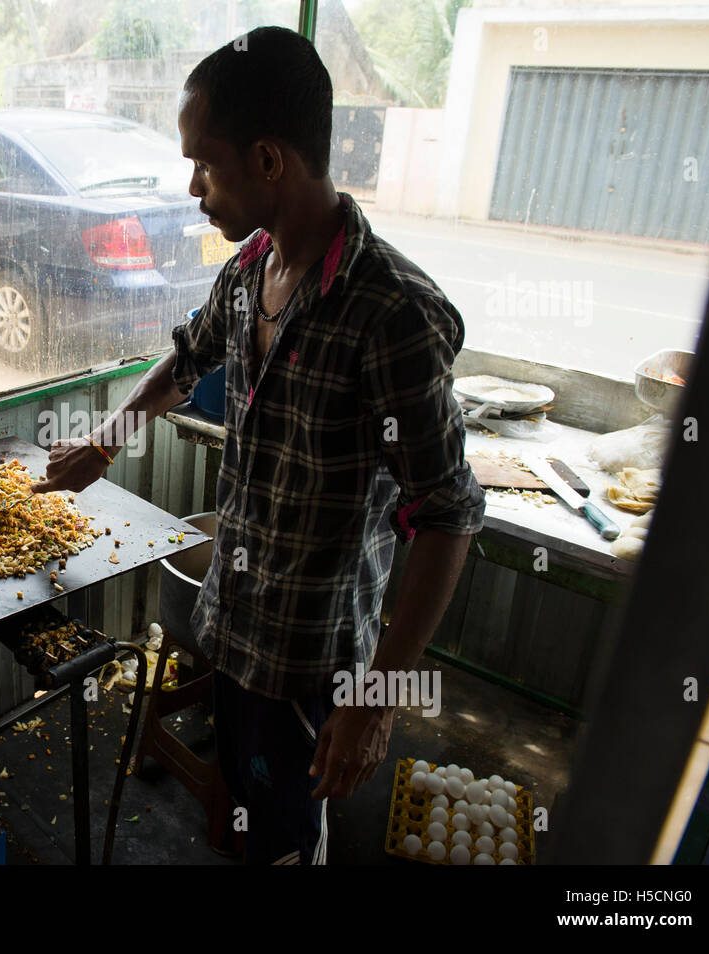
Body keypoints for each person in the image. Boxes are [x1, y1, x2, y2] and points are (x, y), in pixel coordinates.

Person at [32, 25, 485, 864]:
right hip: (235, 628)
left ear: (269, 160)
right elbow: (187, 357)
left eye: (204, 161)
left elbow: (449, 515)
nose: (192, 185)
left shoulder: (392, 315)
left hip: (314, 660)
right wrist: (105, 442)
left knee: (284, 840)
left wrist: (377, 698)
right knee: (239, 819)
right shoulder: (248, 273)